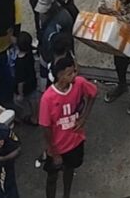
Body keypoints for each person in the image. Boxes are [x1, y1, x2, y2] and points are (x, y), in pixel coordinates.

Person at [37, 60, 99, 198]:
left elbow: (93, 93)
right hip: (57, 147)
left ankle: (66, 195)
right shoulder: (48, 98)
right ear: (60, 75)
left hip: (75, 141)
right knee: (52, 177)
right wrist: (54, 151)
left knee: (69, 170)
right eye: (70, 73)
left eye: (74, 72)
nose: (74, 75)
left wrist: (84, 117)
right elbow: (45, 127)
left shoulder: (79, 83)